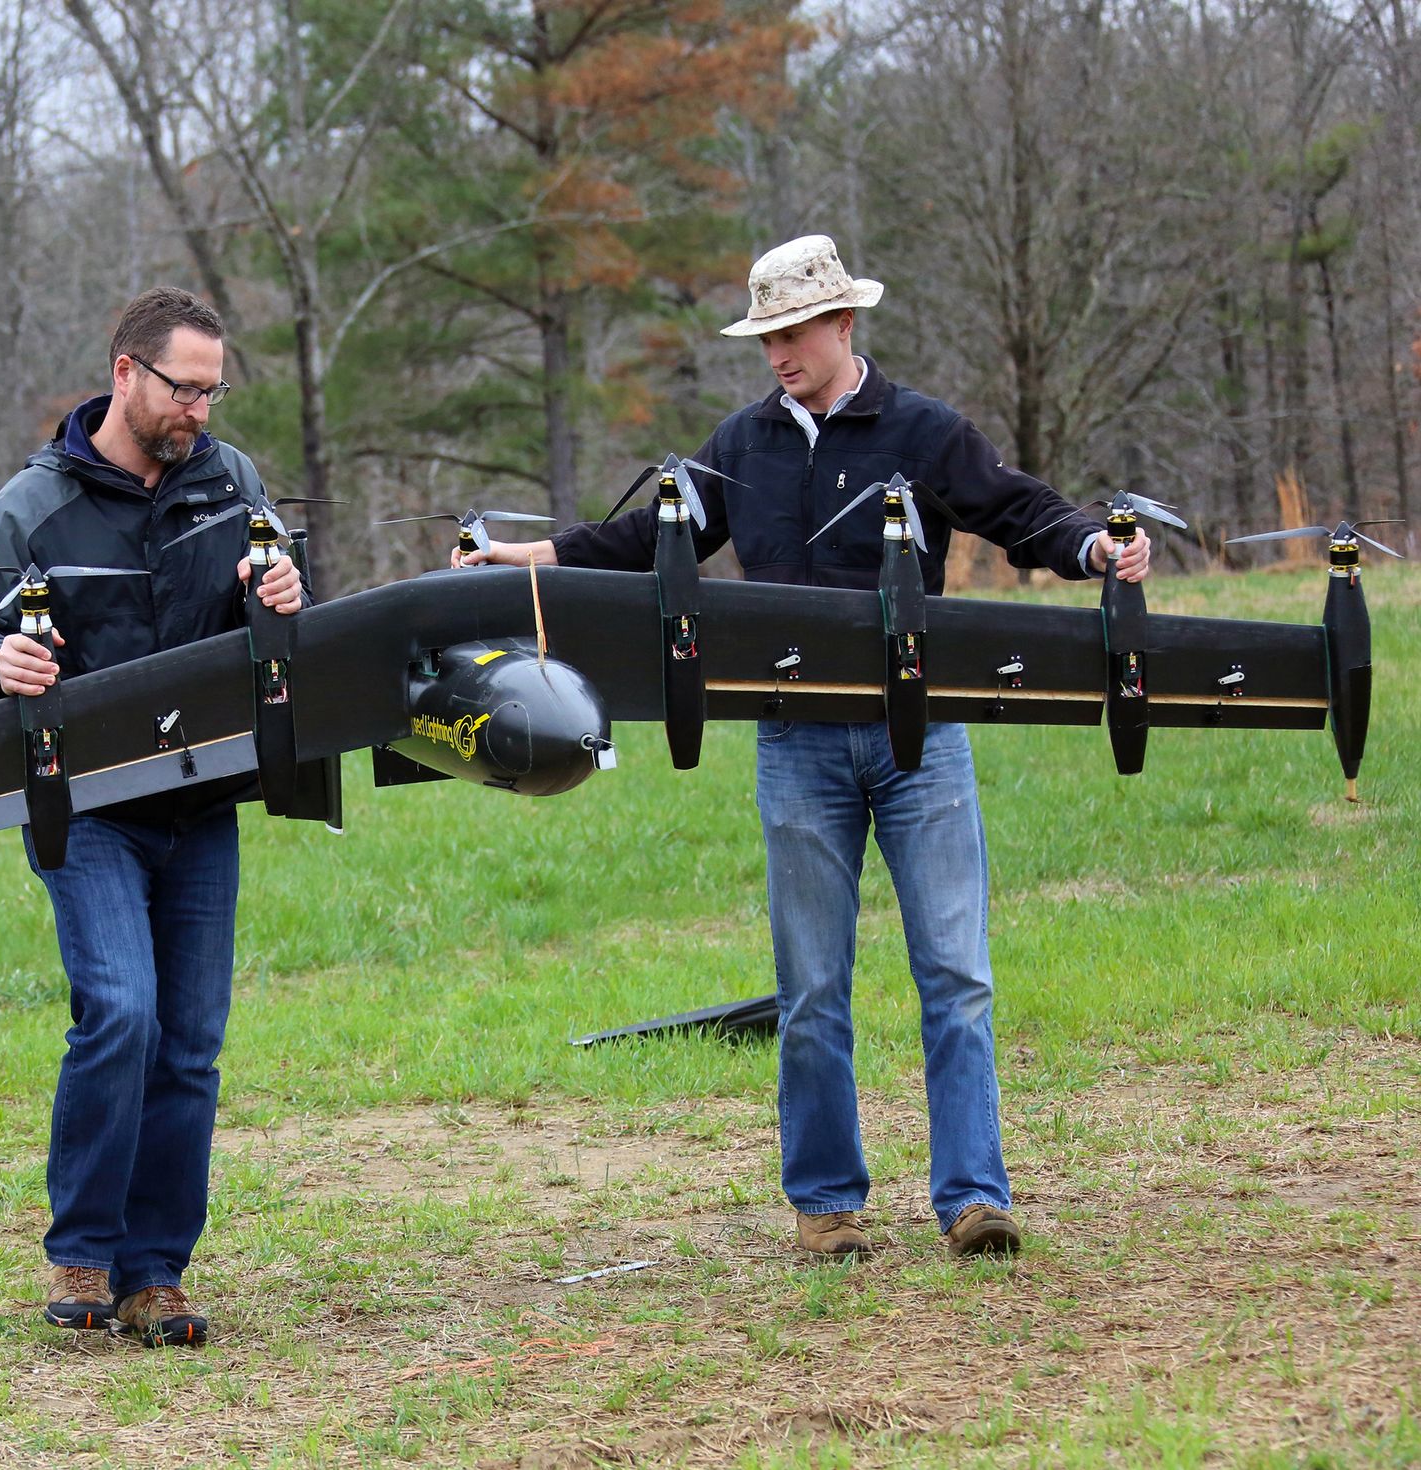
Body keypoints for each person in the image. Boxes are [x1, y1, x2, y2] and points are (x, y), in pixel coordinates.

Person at [462, 236, 1153, 1260]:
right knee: (813, 986)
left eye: (792, 332)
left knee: (954, 974)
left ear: (843, 324)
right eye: (766, 336)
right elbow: (647, 542)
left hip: (920, 736)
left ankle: (972, 1197)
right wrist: (525, 560)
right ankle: (827, 1204)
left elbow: (1015, 508)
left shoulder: (922, 430)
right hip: (794, 745)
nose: (778, 352)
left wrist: (1095, 544)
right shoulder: (738, 444)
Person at [0, 287, 303, 1345]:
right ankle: (85, 1249)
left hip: (202, 803)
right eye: (185, 389)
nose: (199, 411)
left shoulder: (229, 482)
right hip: (88, 807)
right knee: (121, 1012)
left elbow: (279, 600)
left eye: (212, 390)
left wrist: (278, 593)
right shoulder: (28, 513)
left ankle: (156, 1273)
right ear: (126, 374)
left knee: (189, 1045)